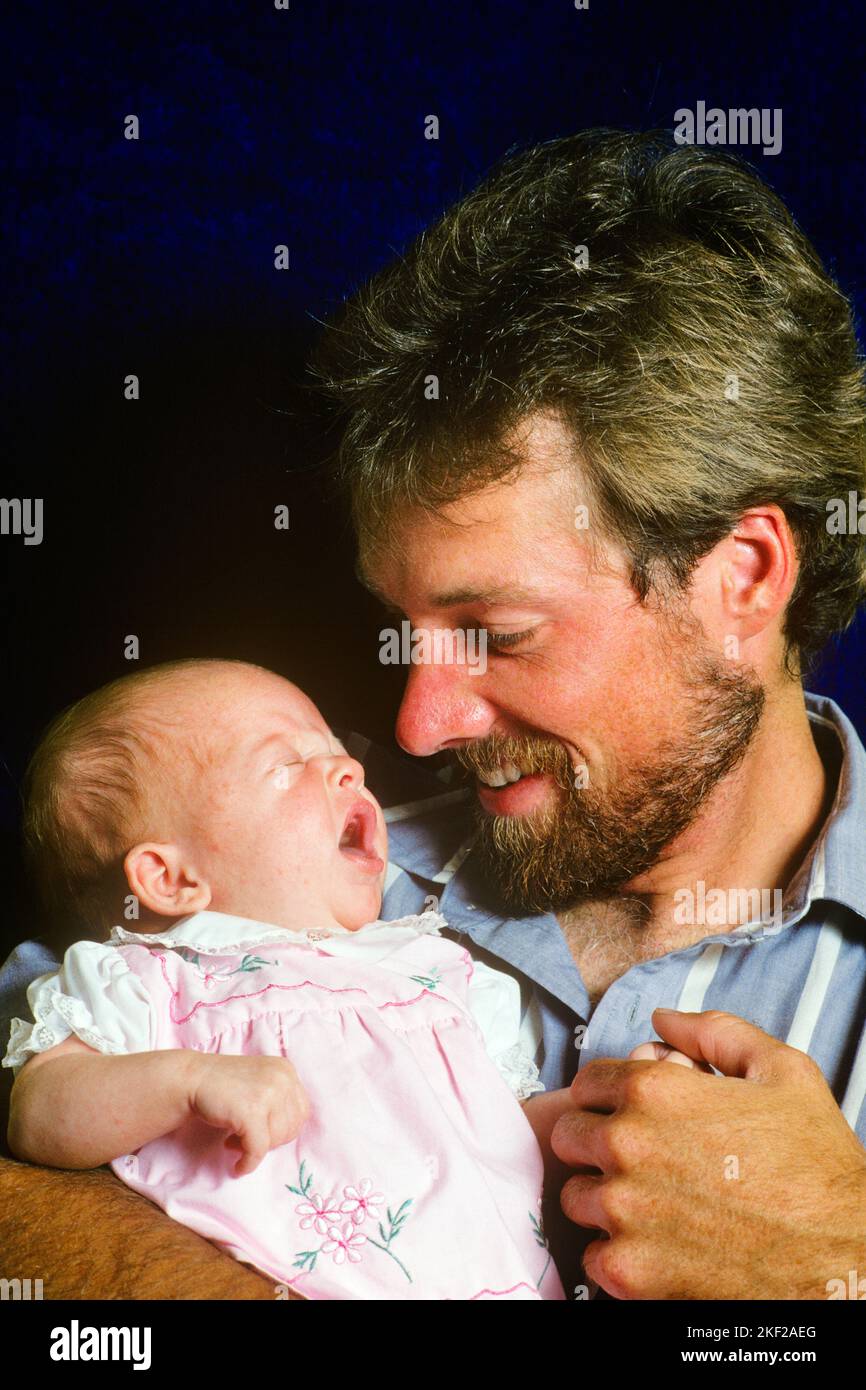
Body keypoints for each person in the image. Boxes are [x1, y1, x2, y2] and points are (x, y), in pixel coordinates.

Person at [3, 126, 866, 1300]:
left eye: (499, 633)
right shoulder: (262, 870)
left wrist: (842, 1262)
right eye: (403, 630)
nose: (414, 729)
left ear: (744, 578)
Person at [6, 655, 639, 1301]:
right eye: (285, 766)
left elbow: (500, 1135)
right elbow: (40, 1110)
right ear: (171, 879)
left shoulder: (442, 977)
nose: (350, 769)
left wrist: (597, 1119)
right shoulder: (156, 979)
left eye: (335, 750)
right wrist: (186, 1081)